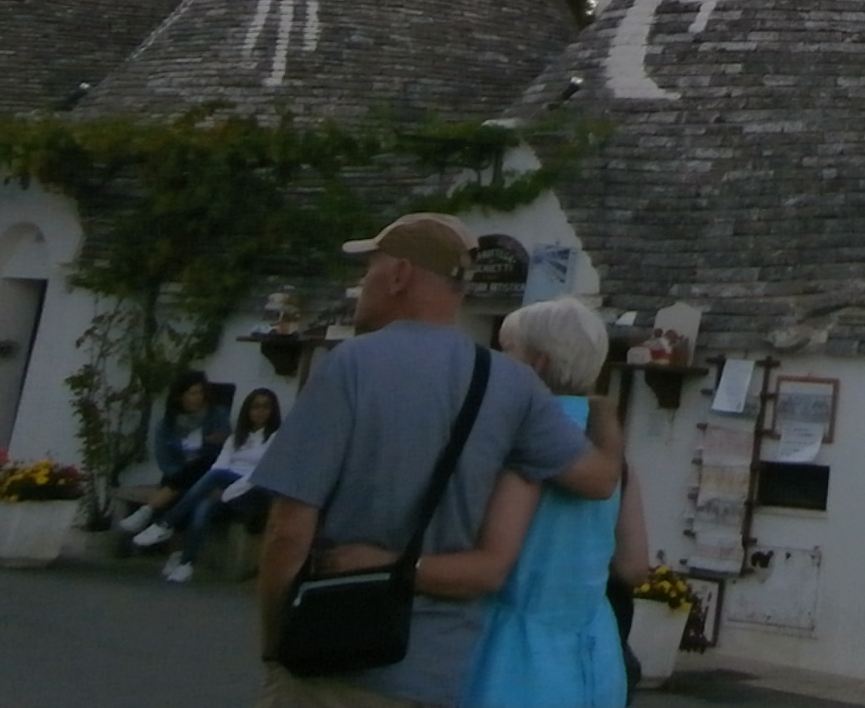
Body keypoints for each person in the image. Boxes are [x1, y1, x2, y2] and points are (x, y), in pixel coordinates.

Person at [254, 214, 624, 708]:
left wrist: (275, 640)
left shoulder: (351, 365)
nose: (361, 286)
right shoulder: (510, 384)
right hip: (437, 670)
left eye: (368, 271)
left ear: (400, 274)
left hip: (331, 660)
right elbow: (600, 480)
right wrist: (602, 409)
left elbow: (288, 529)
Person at [389, 301, 653, 708]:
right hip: (595, 657)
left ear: (538, 364)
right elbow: (634, 567)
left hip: (512, 657)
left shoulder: (522, 442)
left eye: (507, 350)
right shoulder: (610, 450)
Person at [137, 384, 284, 580]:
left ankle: (165, 523)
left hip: (254, 492)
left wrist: (224, 491)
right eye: (255, 406)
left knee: (215, 478)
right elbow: (220, 464)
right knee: (203, 507)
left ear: (273, 411)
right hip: (225, 488)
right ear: (247, 410)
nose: (260, 411)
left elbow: (262, 473)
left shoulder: (277, 438)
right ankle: (186, 563)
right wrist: (215, 490)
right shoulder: (237, 437)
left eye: (265, 407)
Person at [118, 370, 230, 532]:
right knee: (184, 491)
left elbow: (225, 448)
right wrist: (184, 472)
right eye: (192, 393)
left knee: (203, 463)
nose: (198, 398)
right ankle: (169, 545)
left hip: (209, 475)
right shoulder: (166, 426)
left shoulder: (217, 415)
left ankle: (148, 512)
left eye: (200, 393)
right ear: (180, 396)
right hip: (177, 477)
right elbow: (165, 463)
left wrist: (210, 442)